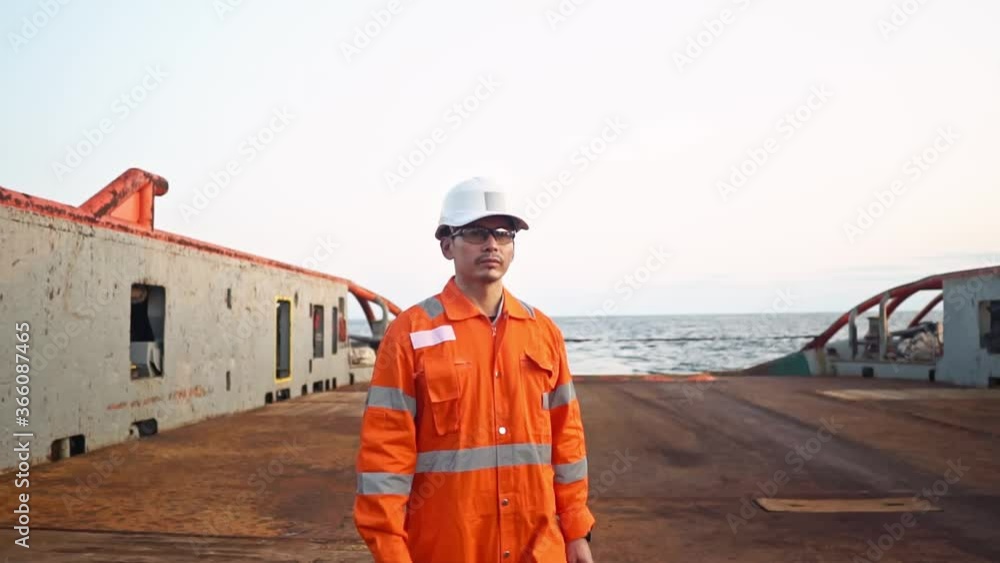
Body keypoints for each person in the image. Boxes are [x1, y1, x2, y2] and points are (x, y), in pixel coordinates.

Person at [354, 177, 596, 562]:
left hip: (537, 550)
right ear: (447, 244)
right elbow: (384, 459)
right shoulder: (411, 334)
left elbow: (568, 443)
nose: (492, 244)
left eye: (504, 233)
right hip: (447, 549)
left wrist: (575, 532)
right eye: (477, 232)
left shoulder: (543, 333)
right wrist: (391, 551)